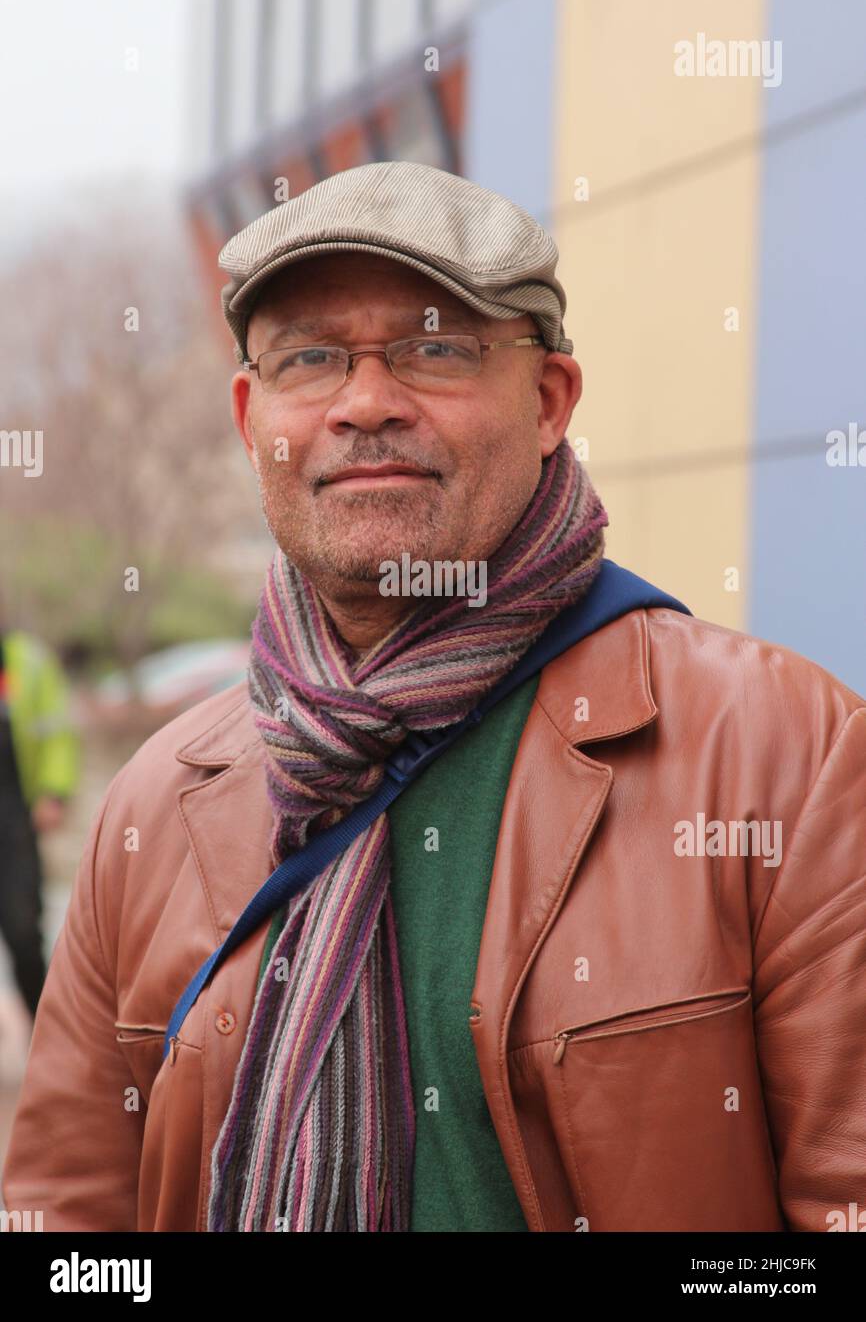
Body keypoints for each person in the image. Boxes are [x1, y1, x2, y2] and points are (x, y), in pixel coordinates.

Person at [4, 161, 865, 1233]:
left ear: (549, 401)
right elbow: (67, 1218)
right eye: (310, 358)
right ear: (249, 417)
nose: (365, 402)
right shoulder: (148, 811)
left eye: (434, 349)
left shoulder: (784, 756)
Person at [0, 625, 78, 1021]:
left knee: (24, 933)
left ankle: (48, 1035)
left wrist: (54, 791)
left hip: (14, 819)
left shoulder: (29, 662)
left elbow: (58, 734)